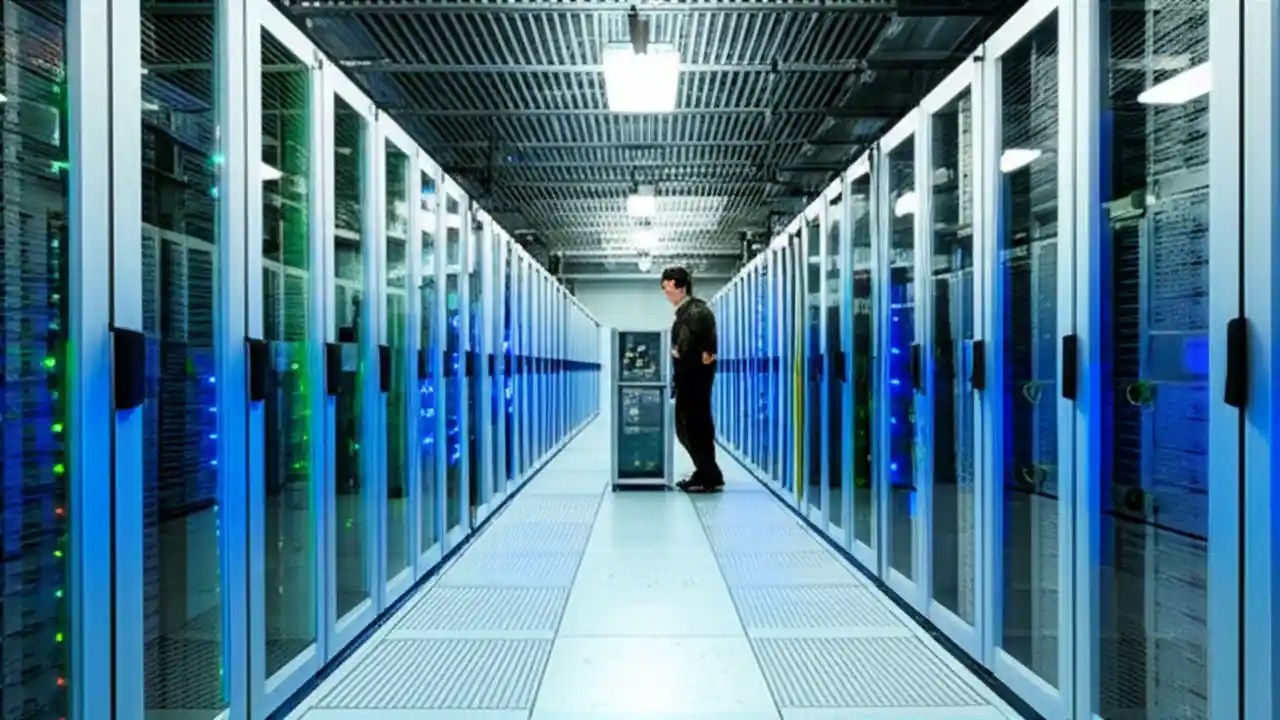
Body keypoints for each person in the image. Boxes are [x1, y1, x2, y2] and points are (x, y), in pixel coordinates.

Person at [661, 266, 724, 493]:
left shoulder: (695, 312)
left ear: (681, 287)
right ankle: (706, 471)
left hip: (694, 380)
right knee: (693, 428)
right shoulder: (691, 312)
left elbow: (692, 349)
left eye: (668, 288)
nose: (666, 293)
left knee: (692, 428)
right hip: (693, 379)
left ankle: (709, 475)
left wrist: (677, 353)